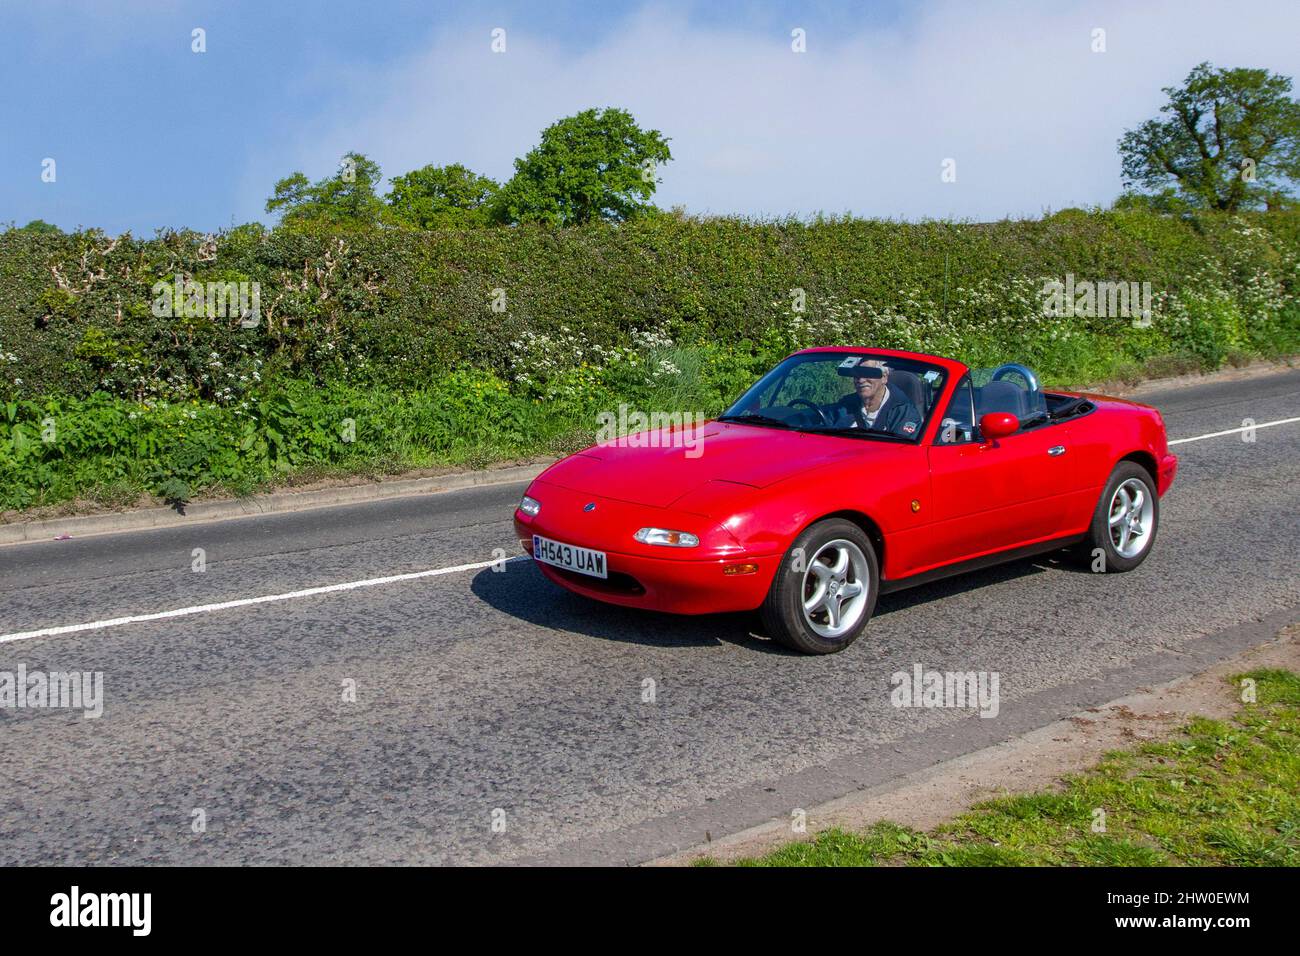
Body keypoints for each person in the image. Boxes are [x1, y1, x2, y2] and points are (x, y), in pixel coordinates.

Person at [829, 358, 923, 437]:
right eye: (856, 373)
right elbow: (827, 419)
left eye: (868, 373)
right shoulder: (846, 405)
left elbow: (900, 452)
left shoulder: (904, 413)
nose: (861, 380)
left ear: (884, 377)